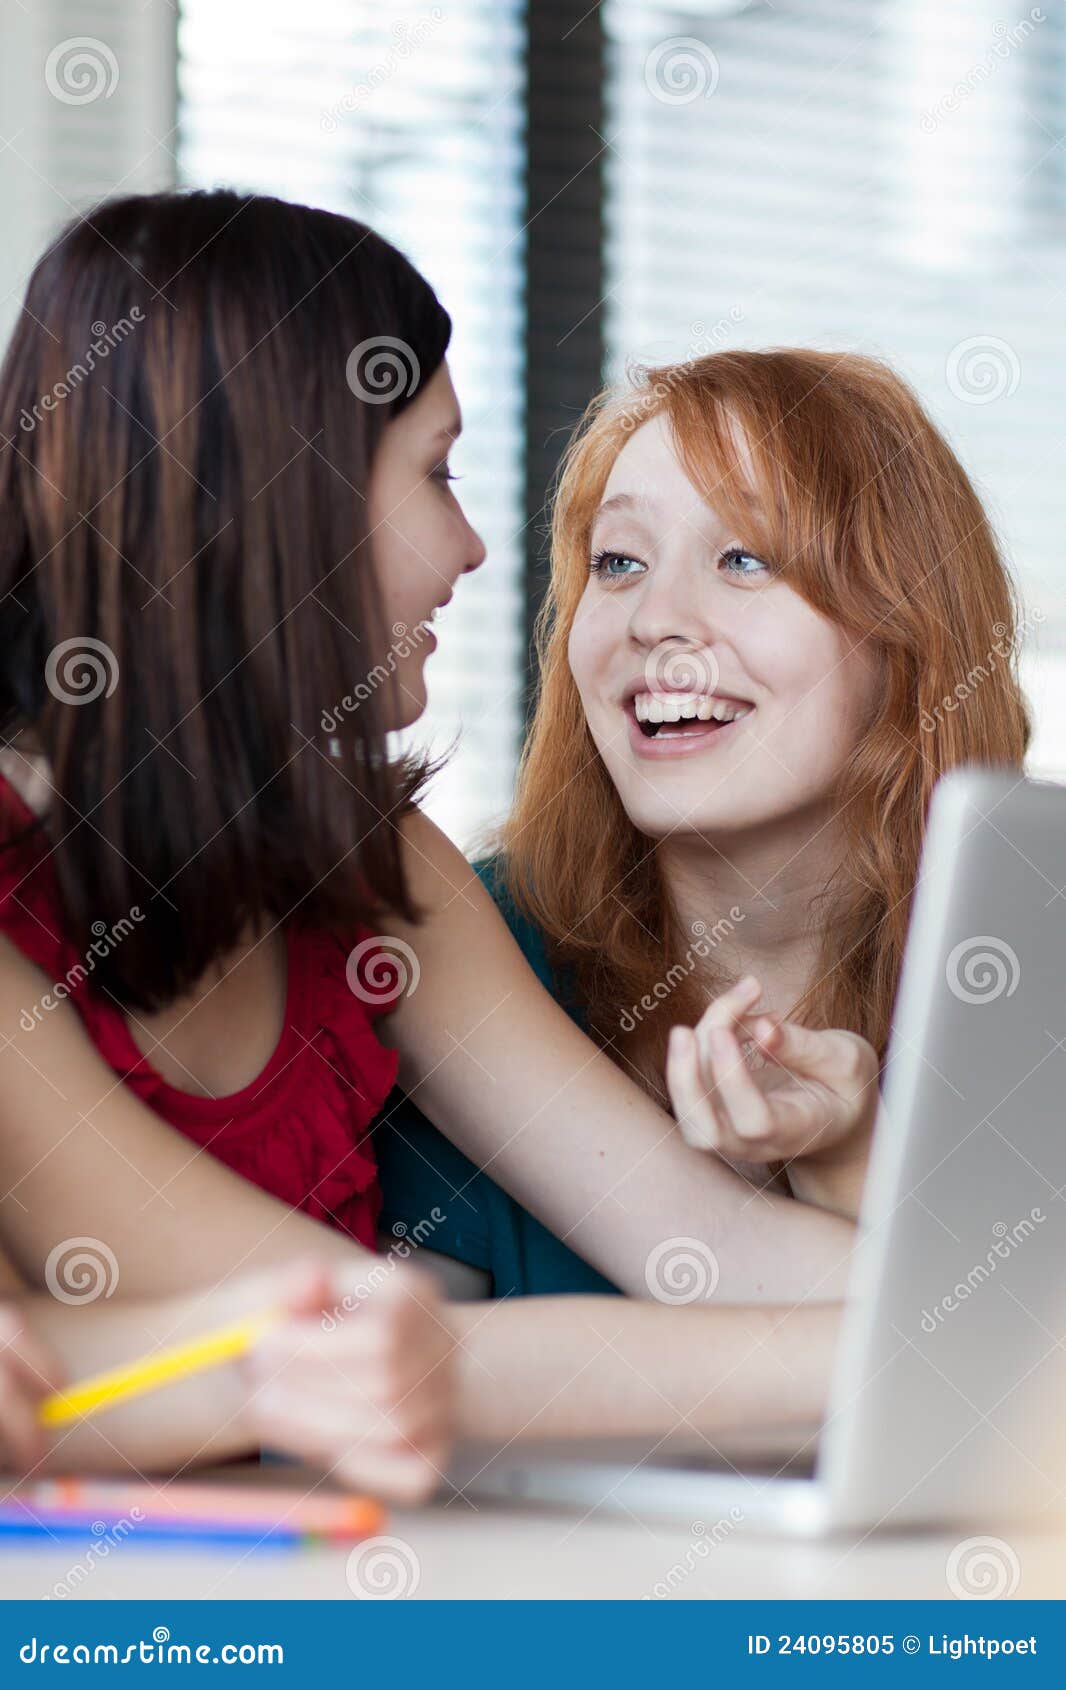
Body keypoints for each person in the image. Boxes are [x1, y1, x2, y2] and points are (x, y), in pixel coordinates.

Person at [0, 192, 876, 1483]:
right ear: (278, 498)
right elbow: (351, 1342)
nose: (471, 549)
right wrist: (951, 1352)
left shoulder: (377, 861)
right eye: (436, 472)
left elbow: (698, 1242)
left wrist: (970, 1329)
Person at [377, 346, 1032, 1297]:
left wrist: (848, 1161)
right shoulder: (474, 954)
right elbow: (416, 1362)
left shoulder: (1023, 979)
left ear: (908, 633)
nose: (654, 618)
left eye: (745, 558)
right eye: (618, 562)